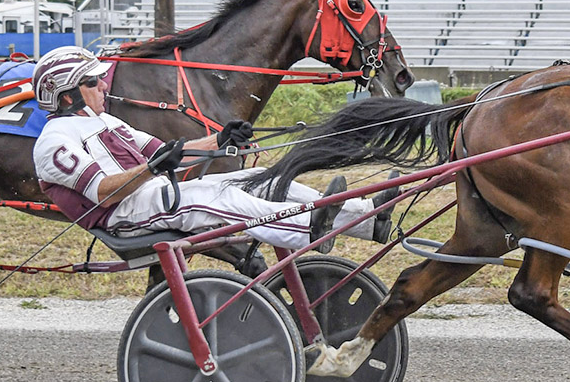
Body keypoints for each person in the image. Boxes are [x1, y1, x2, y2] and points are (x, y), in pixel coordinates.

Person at [30, 46, 392, 252]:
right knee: (217, 198)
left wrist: (220, 140)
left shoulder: (107, 121)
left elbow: (169, 152)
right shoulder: (54, 142)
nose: (103, 86)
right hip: (125, 216)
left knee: (256, 178)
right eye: (94, 82)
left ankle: (366, 217)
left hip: (155, 196)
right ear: (67, 96)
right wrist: (152, 169)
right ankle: (306, 230)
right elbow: (104, 194)